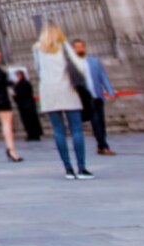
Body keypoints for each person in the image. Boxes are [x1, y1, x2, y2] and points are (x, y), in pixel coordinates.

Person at [33, 21, 94, 179]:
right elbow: (80, 66)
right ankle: (81, 168)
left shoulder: (37, 48)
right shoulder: (63, 45)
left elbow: (38, 69)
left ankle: (68, 169)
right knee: (76, 130)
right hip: (67, 90)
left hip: (49, 93)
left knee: (58, 131)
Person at [72, 37, 119, 156]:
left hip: (97, 96)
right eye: (77, 47)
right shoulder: (72, 65)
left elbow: (103, 77)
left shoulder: (94, 62)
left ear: (85, 47)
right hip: (86, 99)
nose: (79, 49)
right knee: (96, 122)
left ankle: (101, 145)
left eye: (81, 46)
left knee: (101, 122)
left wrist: (110, 91)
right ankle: (104, 146)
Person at [11, 68, 43, 143]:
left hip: (27, 105)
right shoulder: (20, 83)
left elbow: (22, 93)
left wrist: (15, 94)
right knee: (28, 121)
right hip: (25, 105)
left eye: (18, 75)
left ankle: (33, 134)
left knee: (30, 120)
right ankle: (32, 134)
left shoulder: (24, 83)